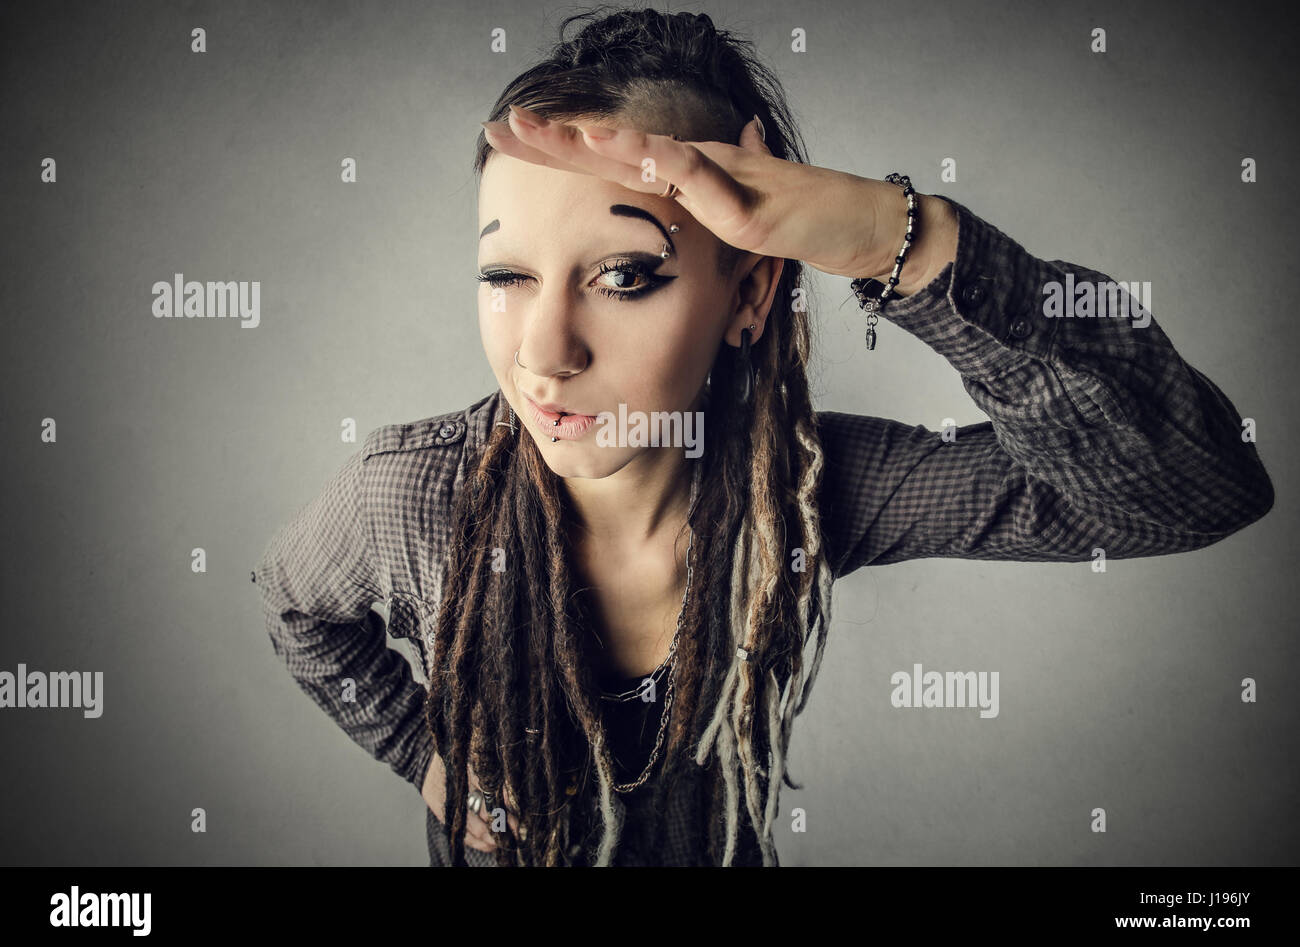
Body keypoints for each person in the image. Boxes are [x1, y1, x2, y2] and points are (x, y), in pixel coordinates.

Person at [251, 8, 1273, 867]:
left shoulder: (808, 490)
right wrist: (416, 749)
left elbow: (1192, 486)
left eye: (622, 274)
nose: (544, 352)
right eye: (506, 275)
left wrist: (901, 236)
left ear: (748, 294)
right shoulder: (409, 498)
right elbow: (295, 606)